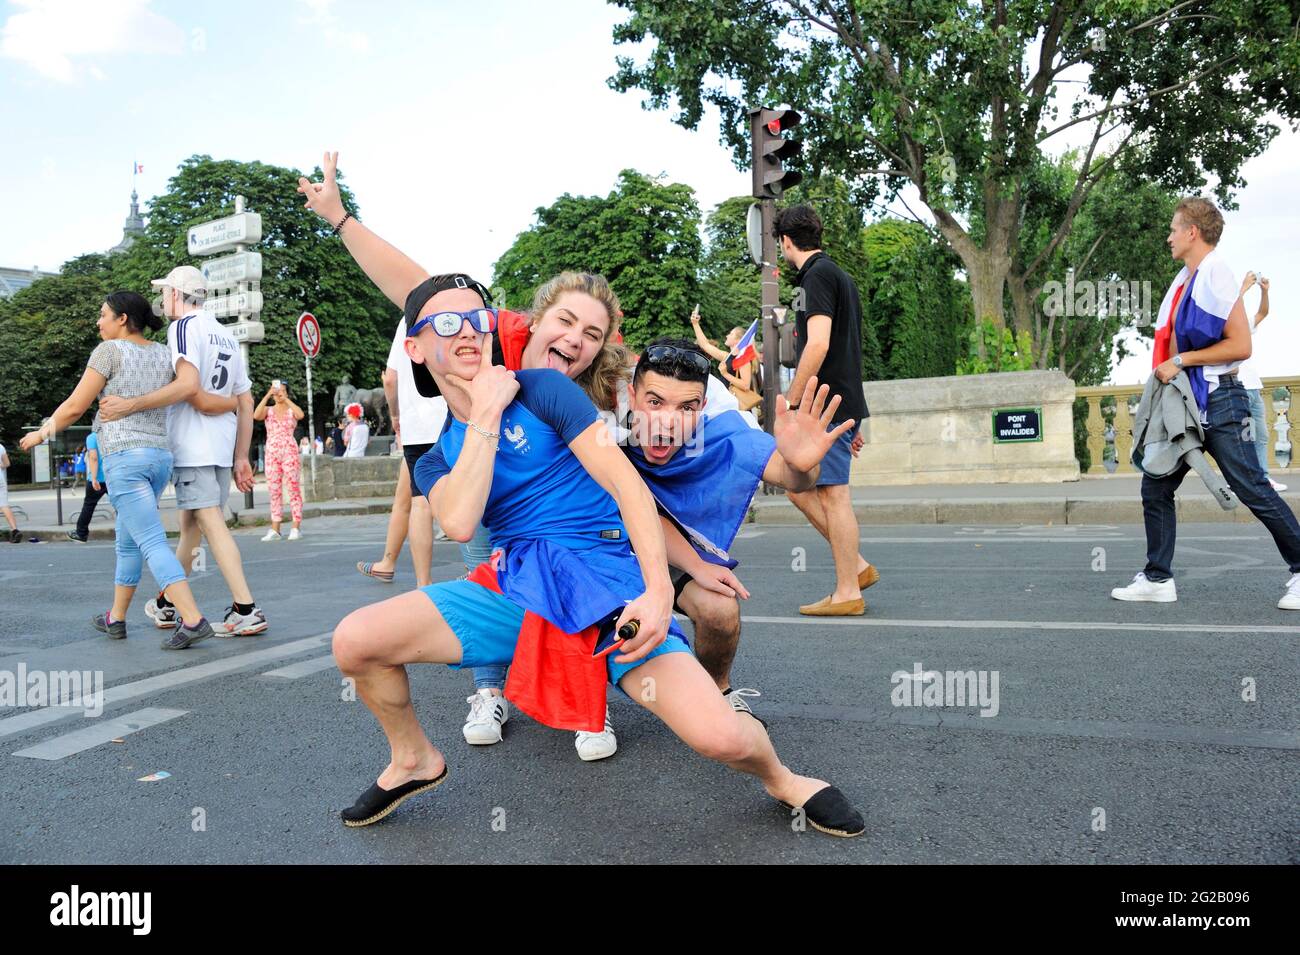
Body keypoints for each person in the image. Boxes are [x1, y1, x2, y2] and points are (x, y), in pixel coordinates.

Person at [327, 280, 865, 837]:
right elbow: (460, 522)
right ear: (414, 347)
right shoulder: (437, 455)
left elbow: (629, 488)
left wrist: (659, 594)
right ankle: (413, 758)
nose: (466, 328)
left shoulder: (543, 391)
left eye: (476, 317)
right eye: (445, 322)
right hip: (518, 588)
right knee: (355, 641)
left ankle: (782, 778)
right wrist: (483, 415)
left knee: (720, 737)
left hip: (608, 582)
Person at [297, 154, 631, 758]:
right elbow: (414, 289)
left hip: (553, 487)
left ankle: (588, 696)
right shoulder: (490, 331)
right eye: (563, 324)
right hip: (456, 446)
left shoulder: (584, 378)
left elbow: (645, 428)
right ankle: (488, 688)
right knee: (487, 557)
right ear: (535, 317)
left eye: (590, 336)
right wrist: (341, 219)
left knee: (567, 562)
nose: (574, 342)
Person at [623, 338, 854, 706]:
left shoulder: (721, 420)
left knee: (719, 609)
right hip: (602, 535)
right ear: (632, 396)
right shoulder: (596, 411)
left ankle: (718, 694)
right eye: (654, 403)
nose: (667, 420)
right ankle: (579, 705)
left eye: (686, 407)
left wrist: (801, 464)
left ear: (701, 408)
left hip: (668, 537)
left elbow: (789, 476)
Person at [1111, 198, 1300, 610]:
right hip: (1191, 403)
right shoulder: (1188, 278)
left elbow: (1241, 345)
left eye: (1174, 229)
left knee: (1252, 487)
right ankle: (1158, 578)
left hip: (1219, 400)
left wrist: (1182, 360)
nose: (1169, 236)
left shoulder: (1215, 272)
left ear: (1192, 232)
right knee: (1155, 485)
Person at [20, 291, 220, 646]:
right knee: (127, 542)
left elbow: (75, 406)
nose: (99, 322)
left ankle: (192, 619)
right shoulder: (163, 353)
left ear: (123, 319)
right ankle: (117, 618)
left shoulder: (108, 351)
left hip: (125, 458)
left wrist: (42, 432)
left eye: (103, 315)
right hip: (159, 458)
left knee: (151, 541)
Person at [97, 265, 268, 636]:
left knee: (209, 522)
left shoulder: (185, 327)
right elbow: (245, 399)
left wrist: (131, 404)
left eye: (164, 292)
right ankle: (166, 603)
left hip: (194, 443)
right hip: (221, 445)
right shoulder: (224, 334)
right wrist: (241, 456)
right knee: (191, 527)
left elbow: (189, 386)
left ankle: (246, 608)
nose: (161, 299)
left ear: (176, 294)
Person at [774, 204, 877, 617]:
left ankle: (848, 589)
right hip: (840, 400)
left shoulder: (816, 276)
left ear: (785, 241)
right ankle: (856, 566)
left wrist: (794, 401)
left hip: (824, 403)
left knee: (832, 496)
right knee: (801, 489)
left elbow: (818, 344)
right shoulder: (838, 275)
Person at [356, 319, 450, 587]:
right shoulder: (459, 311)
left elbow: (391, 378)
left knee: (420, 502)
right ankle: (388, 561)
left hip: (419, 425)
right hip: (454, 417)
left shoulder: (408, 320)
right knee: (405, 495)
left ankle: (424, 583)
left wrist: (395, 415)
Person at [1237, 272, 1284, 492]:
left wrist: (1264, 291)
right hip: (1238, 389)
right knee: (1246, 437)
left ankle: (1262, 479)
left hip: (1253, 387)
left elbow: (1263, 312)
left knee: (1261, 435)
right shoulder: (1224, 322)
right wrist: (1244, 287)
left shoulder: (1244, 323)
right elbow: (1227, 308)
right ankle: (1241, 481)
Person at [254, 381, 305, 541]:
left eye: (282, 391)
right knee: (274, 490)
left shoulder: (291, 410)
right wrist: (268, 394)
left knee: (293, 488)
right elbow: (256, 415)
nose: (279, 394)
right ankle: (275, 529)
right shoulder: (268, 410)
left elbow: (301, 415)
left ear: (287, 393)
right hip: (272, 452)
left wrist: (286, 399)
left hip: (289, 450)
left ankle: (296, 527)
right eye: (277, 392)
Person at [689, 308, 757, 402]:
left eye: (731, 334)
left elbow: (745, 385)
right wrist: (695, 324)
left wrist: (725, 373)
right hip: (725, 400)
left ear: (738, 340)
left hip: (734, 404)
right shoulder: (727, 356)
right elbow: (705, 345)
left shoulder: (743, 359)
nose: (727, 336)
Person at [68, 431, 108, 543]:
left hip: (97, 478)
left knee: (89, 505)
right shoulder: (113, 433)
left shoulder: (92, 437)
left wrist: (94, 478)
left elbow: (93, 457)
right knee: (122, 506)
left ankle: (81, 534)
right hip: (113, 477)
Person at [0, 439, 19, 543]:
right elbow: (7, 464)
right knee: (4, 505)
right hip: (0, 479)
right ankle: (15, 530)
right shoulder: (0, 447)